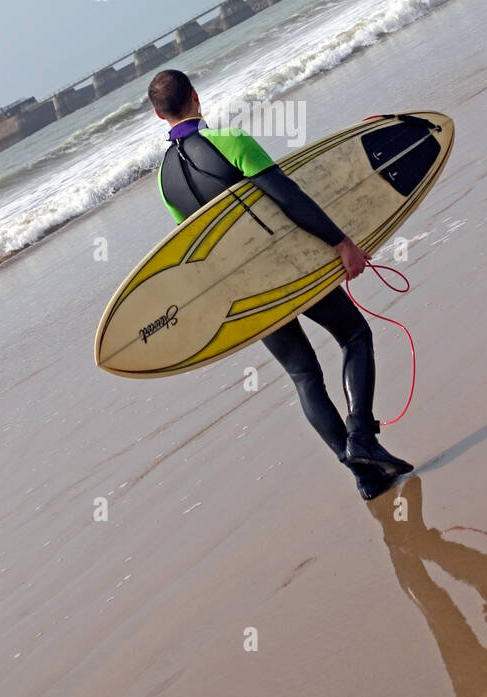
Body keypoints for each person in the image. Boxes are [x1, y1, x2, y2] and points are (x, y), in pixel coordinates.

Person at [147, 68, 413, 499]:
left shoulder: (165, 183)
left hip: (245, 296)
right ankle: (361, 436)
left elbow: (196, 258)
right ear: (196, 96)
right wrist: (341, 242)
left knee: (304, 375)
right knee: (354, 334)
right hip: (285, 271)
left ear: (160, 116)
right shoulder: (228, 142)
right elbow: (287, 196)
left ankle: (363, 476)